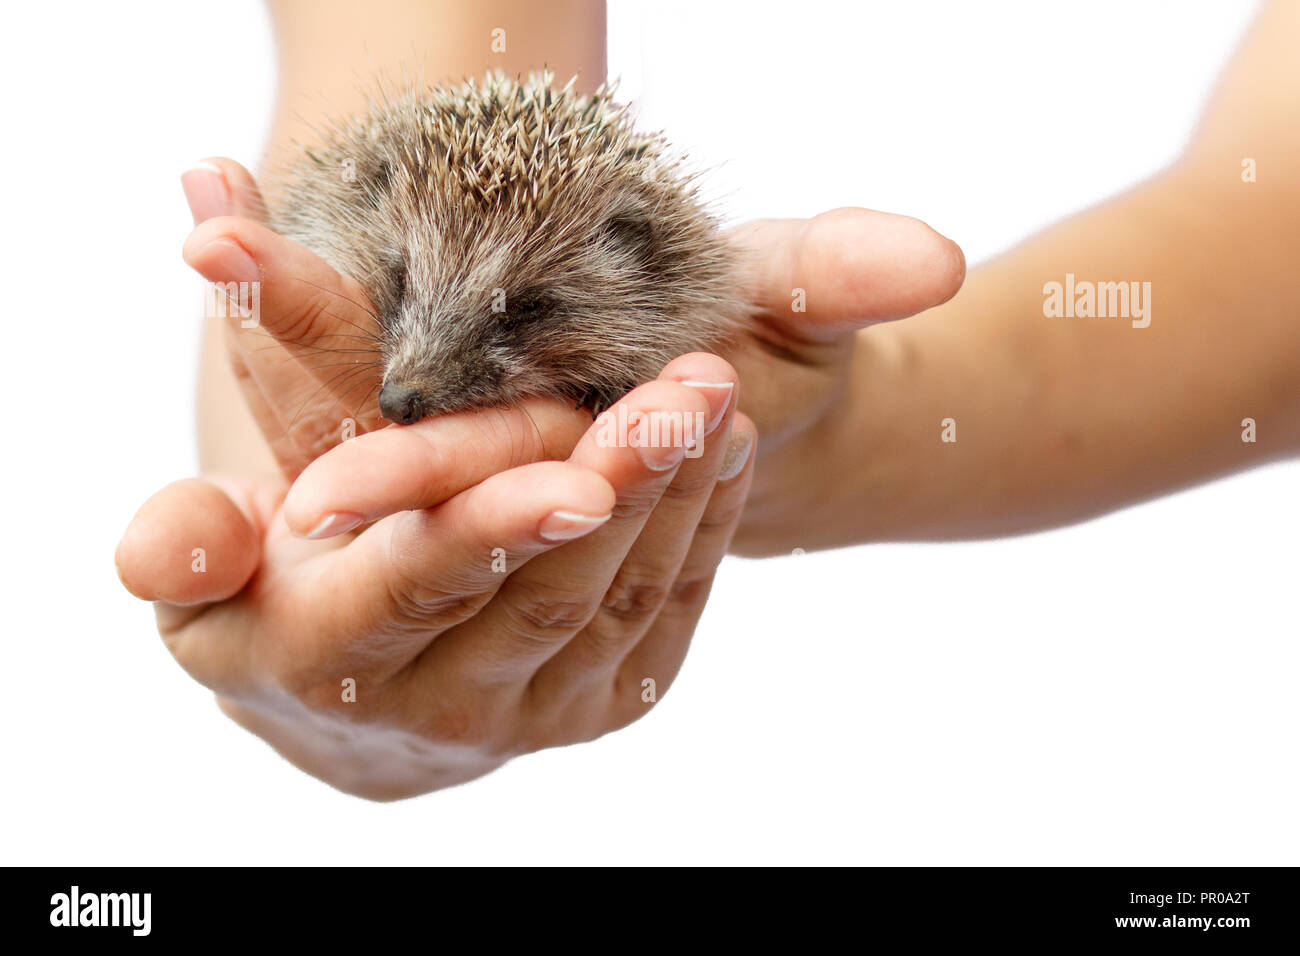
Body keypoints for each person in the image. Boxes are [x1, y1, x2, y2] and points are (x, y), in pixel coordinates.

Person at [116, 0, 1299, 799]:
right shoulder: (389, 213)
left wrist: (830, 428)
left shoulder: (653, 294)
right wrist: (315, 506)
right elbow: (376, 173)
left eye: (522, 317)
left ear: (639, 271)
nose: (421, 377)